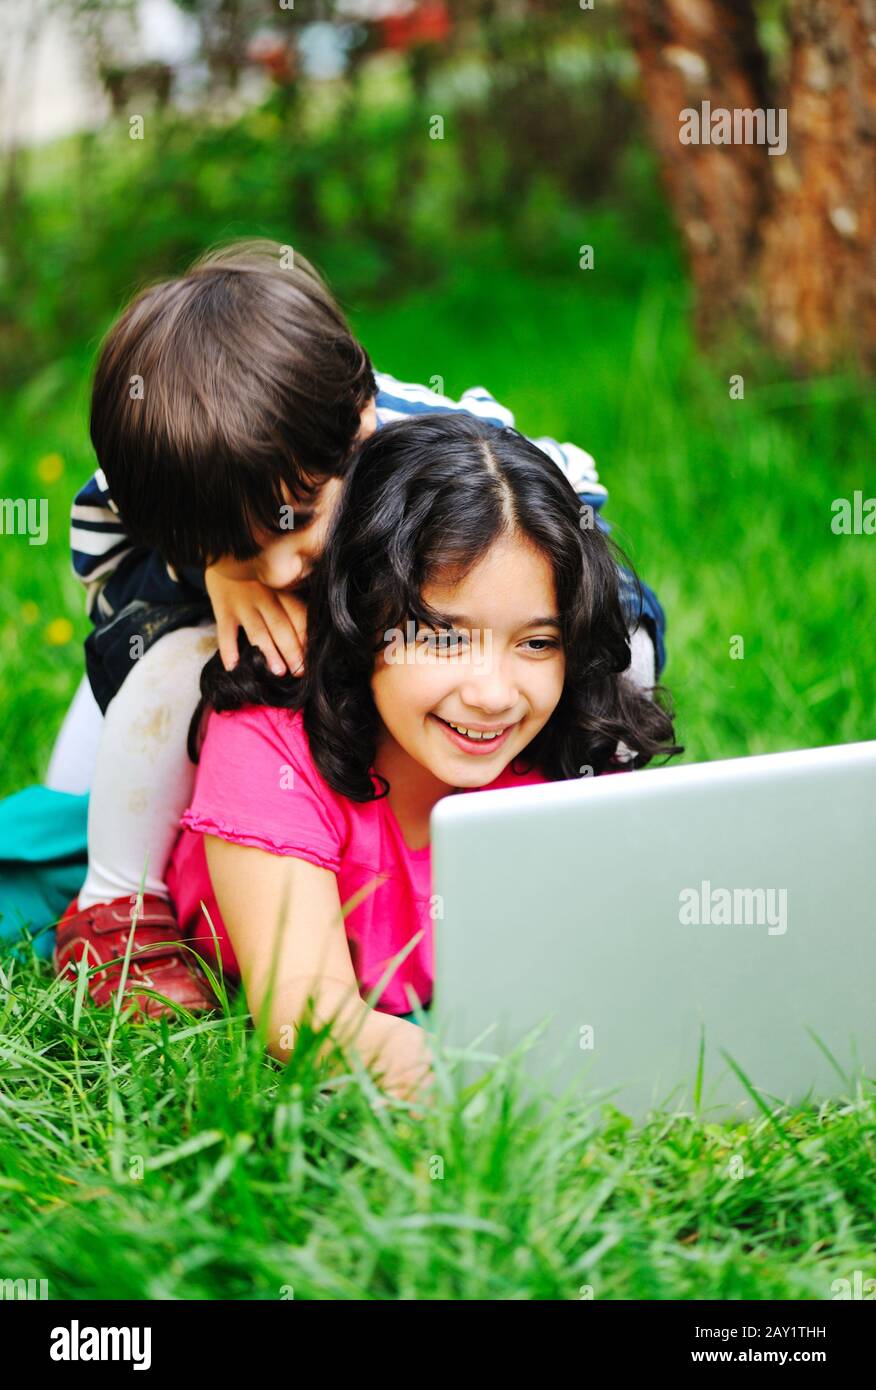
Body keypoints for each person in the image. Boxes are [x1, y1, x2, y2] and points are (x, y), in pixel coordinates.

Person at [53, 239, 668, 1016]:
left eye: (297, 520)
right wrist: (214, 575)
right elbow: (112, 590)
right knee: (173, 666)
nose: (281, 572)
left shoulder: (415, 436)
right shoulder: (165, 476)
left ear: (360, 428)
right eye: (246, 545)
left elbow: (554, 520)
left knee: (622, 632)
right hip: (173, 614)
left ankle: (597, 796)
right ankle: (117, 910)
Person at [162, 413, 681, 1099]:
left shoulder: (563, 740)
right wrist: (483, 1089)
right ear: (361, 613)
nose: (493, 695)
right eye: (442, 638)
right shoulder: (266, 742)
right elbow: (307, 1019)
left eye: (536, 643)